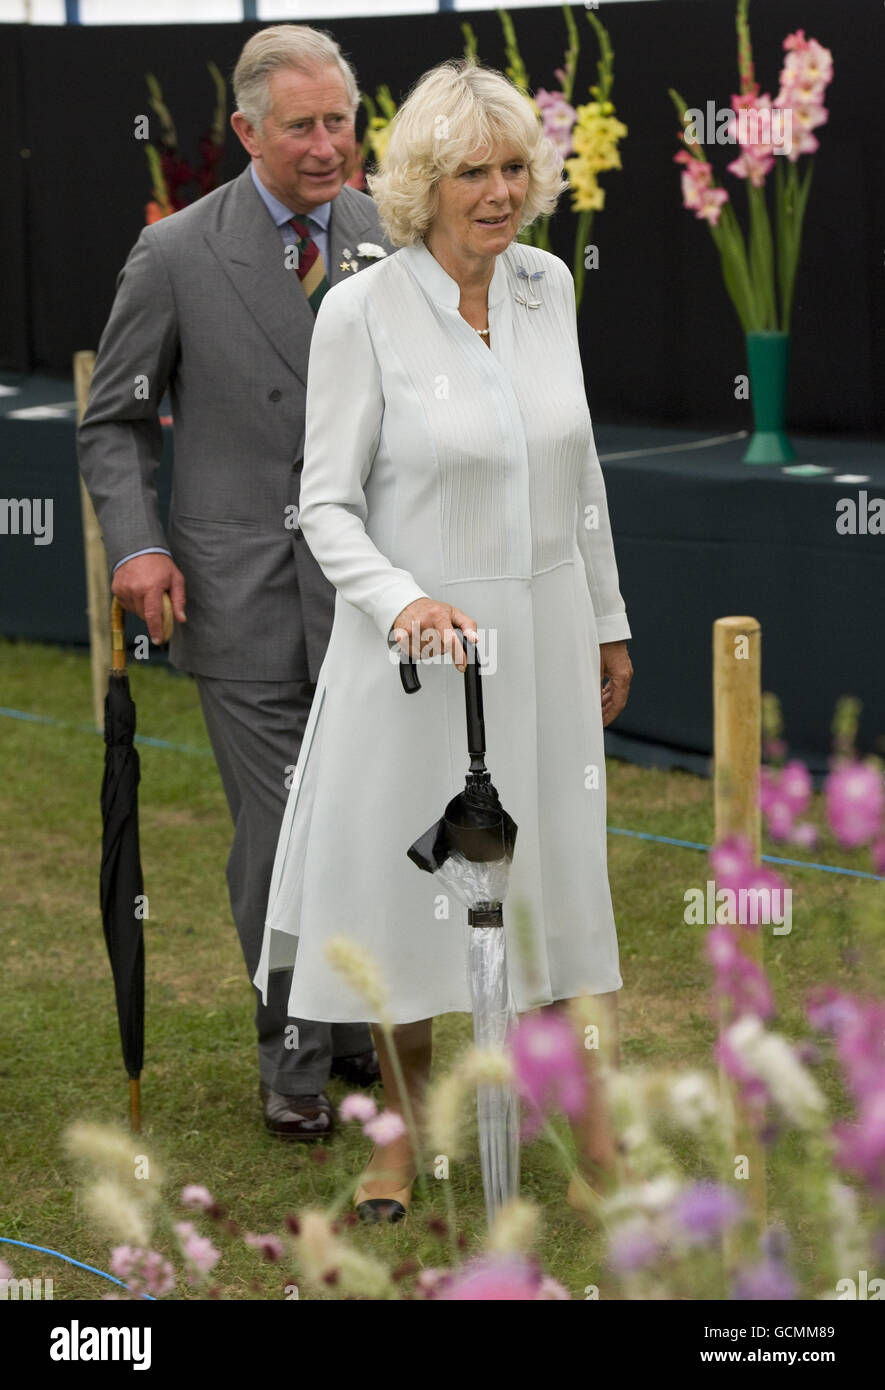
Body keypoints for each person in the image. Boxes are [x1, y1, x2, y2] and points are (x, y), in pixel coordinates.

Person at [254, 58, 634, 1220]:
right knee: (411, 907)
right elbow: (324, 502)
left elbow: (579, 478)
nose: (500, 190)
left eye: (516, 166)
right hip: (417, 655)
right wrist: (401, 600)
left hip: (550, 637)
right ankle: (401, 1146)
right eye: (473, 169)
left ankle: (597, 1149)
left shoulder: (546, 287)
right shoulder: (360, 312)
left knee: (559, 890)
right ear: (423, 182)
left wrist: (608, 621)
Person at [78, 25, 394, 1140]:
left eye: (340, 122)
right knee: (282, 823)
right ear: (247, 131)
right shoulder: (173, 253)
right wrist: (137, 545)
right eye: (302, 126)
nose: (326, 146)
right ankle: (294, 1058)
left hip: (367, 592)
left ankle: (354, 1028)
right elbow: (112, 421)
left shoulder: (384, 231)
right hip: (240, 590)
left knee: (361, 812)